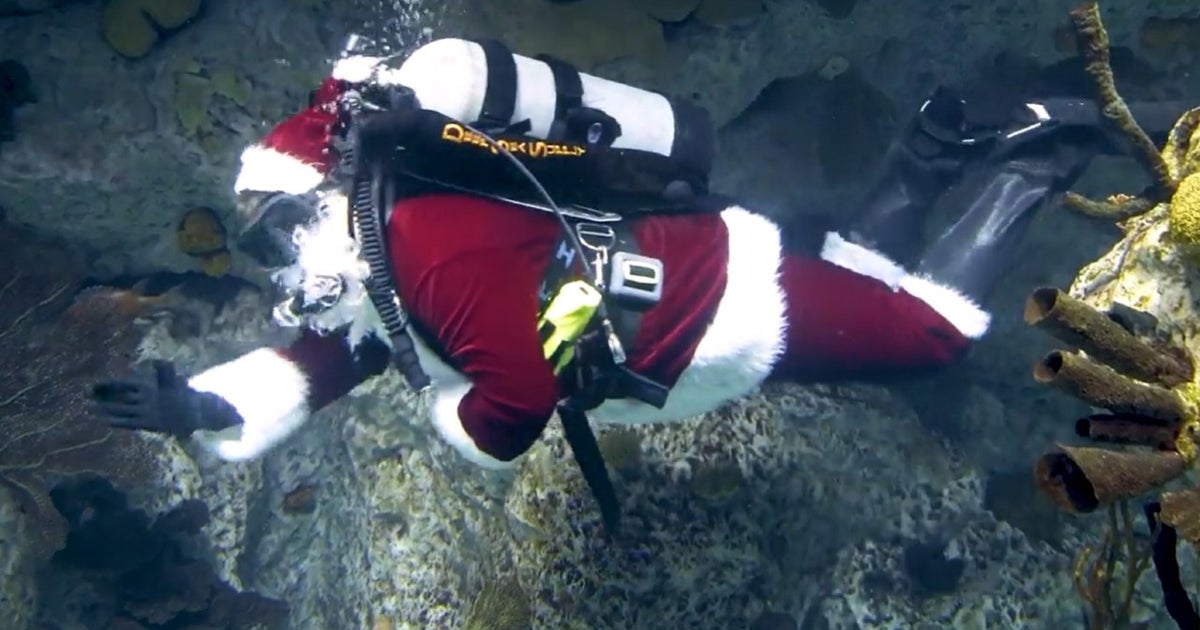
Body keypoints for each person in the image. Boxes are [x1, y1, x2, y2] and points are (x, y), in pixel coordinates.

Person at [90, 37, 1174, 471]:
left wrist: (444, 416)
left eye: (279, 232)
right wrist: (208, 407)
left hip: (712, 315)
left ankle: (1048, 142)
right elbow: (340, 348)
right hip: (686, 297)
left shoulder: (425, 252)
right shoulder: (391, 249)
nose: (279, 266)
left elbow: (508, 406)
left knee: (932, 338)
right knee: (856, 278)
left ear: (325, 200)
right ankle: (936, 140)